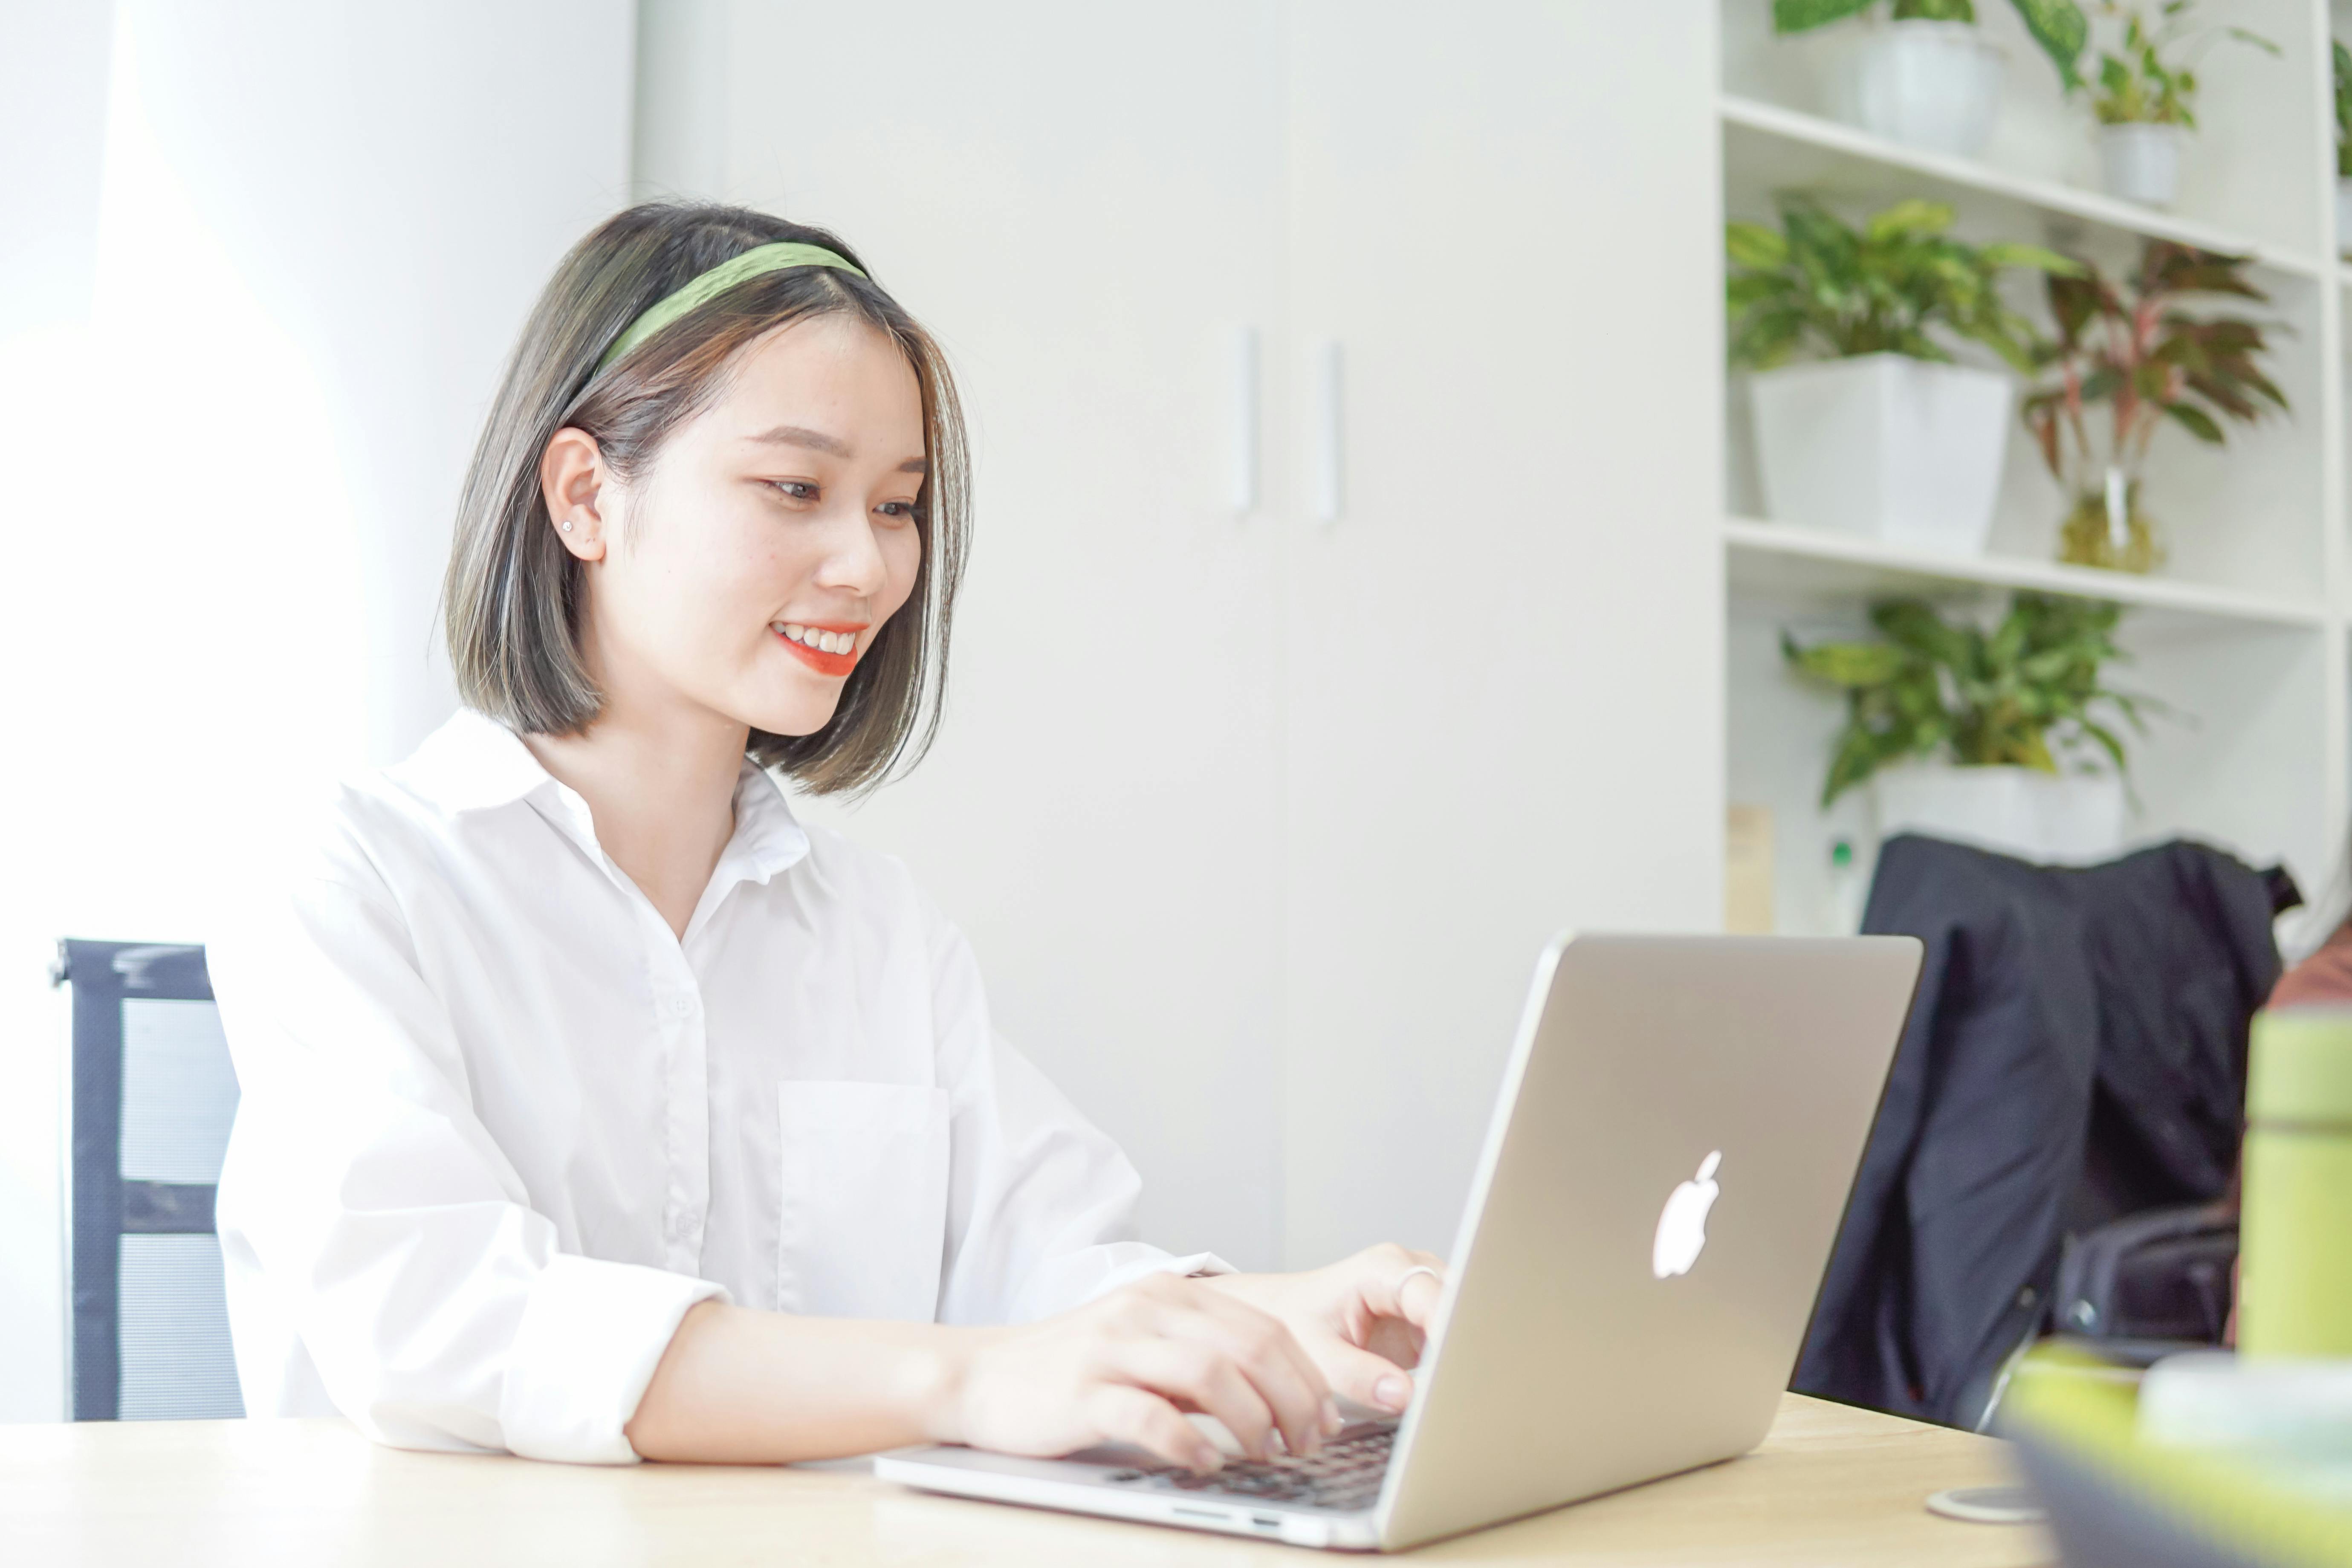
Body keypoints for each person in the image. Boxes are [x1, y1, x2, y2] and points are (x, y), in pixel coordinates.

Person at [209, 203, 1444, 1472]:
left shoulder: (878, 932)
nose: (868, 564)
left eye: (898, 505)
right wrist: (963, 1381)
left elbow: (1051, 1264)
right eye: (795, 488)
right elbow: (444, 1317)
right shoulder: (356, 876)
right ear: (586, 495)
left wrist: (1282, 1318)